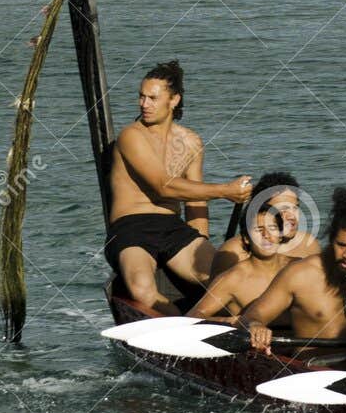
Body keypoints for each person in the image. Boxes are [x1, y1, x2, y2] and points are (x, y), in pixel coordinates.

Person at [104, 60, 252, 313]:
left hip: (173, 228)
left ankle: (251, 328)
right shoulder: (131, 136)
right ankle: (186, 330)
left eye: (152, 98)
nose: (144, 104)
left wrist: (201, 242)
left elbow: (194, 200)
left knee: (226, 277)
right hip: (131, 227)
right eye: (141, 97)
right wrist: (226, 191)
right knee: (141, 289)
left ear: (173, 100)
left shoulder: (191, 141)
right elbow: (163, 187)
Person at [240, 196, 346, 351]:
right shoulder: (298, 274)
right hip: (310, 369)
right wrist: (256, 326)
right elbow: (252, 316)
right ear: (330, 239)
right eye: (341, 245)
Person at [188, 201, 291, 321]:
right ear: (246, 238)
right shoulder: (233, 278)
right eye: (258, 230)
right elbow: (193, 316)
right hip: (250, 338)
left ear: (280, 235)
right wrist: (227, 321)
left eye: (273, 228)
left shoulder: (295, 268)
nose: (266, 235)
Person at [209, 170, 320, 278]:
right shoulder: (232, 253)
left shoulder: (308, 244)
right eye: (282, 209)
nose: (292, 216)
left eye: (295, 208)